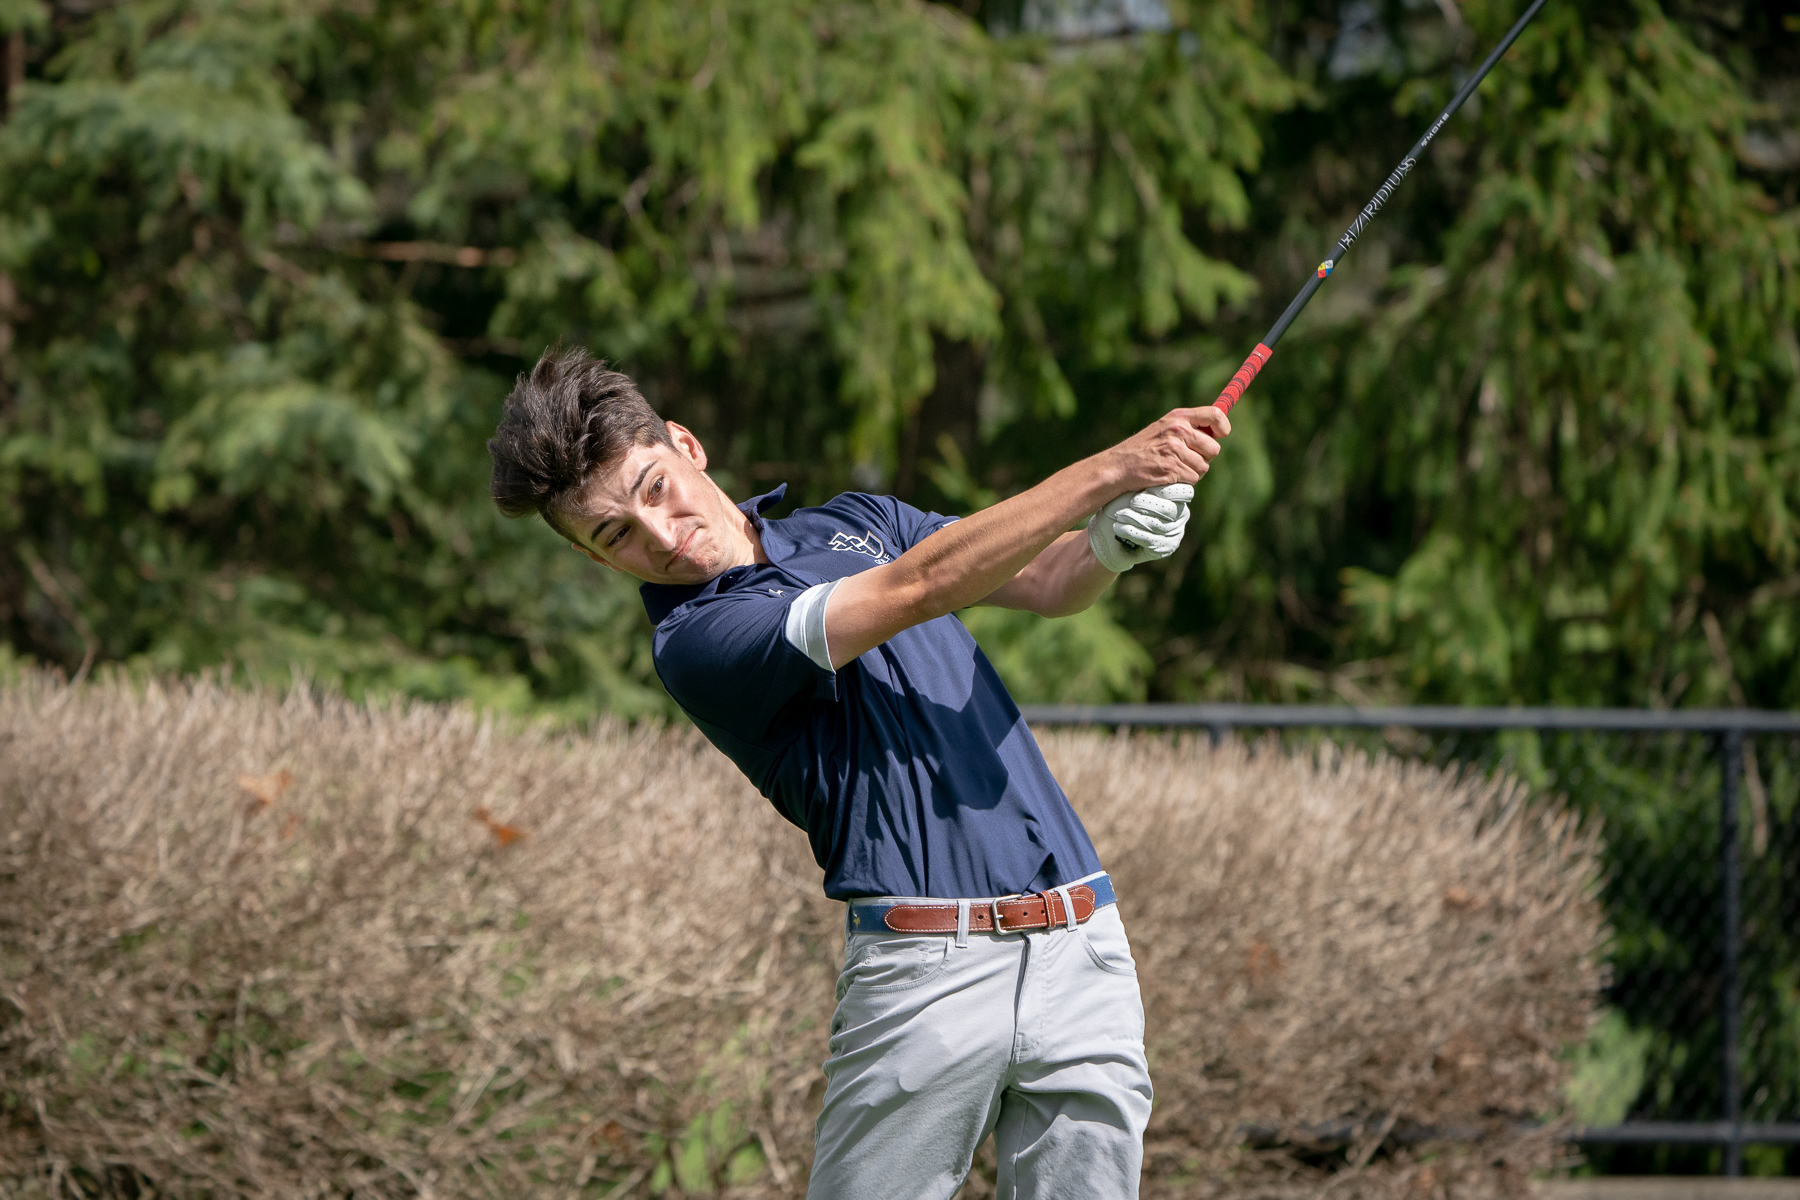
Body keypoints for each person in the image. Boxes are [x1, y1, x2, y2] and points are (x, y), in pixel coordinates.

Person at [487, 347, 1230, 1200]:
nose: (660, 535)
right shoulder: (697, 642)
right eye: (615, 534)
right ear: (596, 559)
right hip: (925, 972)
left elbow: (1047, 578)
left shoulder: (858, 519)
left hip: (1082, 941)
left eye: (654, 488)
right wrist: (1113, 469)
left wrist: (1107, 544)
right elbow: (919, 588)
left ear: (686, 445)